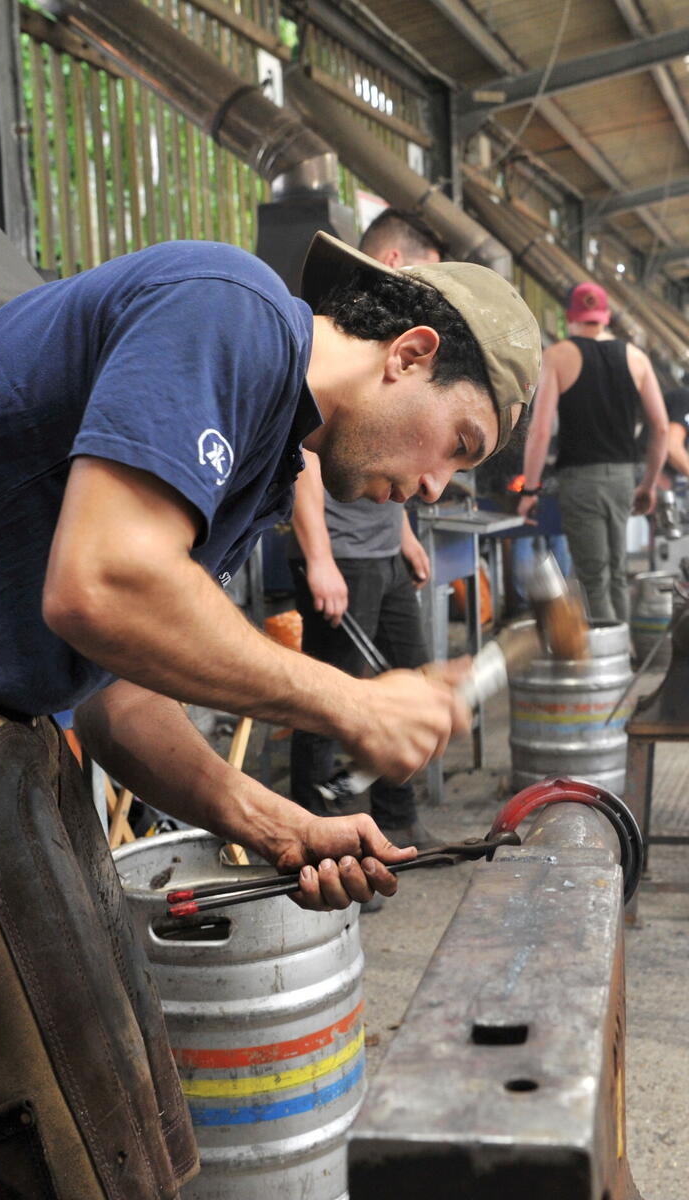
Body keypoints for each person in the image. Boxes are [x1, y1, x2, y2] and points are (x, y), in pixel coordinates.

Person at [0, 233, 539, 1200]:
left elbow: (120, 700)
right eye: (457, 445)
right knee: (34, 1128)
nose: (433, 490)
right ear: (411, 353)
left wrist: (281, 827)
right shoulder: (231, 310)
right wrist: (349, 701)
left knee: (129, 1107)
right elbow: (103, 588)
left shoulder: (261, 452)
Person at [287, 209, 443, 853]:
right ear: (397, 265)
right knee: (333, 703)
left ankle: (395, 823)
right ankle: (324, 838)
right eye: (432, 284)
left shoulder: (396, 372)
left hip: (382, 550)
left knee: (409, 680)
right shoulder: (325, 354)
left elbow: (398, 460)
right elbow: (299, 459)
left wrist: (403, 532)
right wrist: (318, 556)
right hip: (342, 559)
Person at [518, 281, 668, 622]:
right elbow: (660, 428)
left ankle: (608, 667)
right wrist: (648, 484)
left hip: (581, 482)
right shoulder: (637, 358)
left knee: (593, 578)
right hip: (623, 479)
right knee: (617, 572)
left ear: (571, 317)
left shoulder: (557, 356)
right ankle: (623, 660)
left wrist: (530, 488)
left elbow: (540, 431)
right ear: (606, 316)